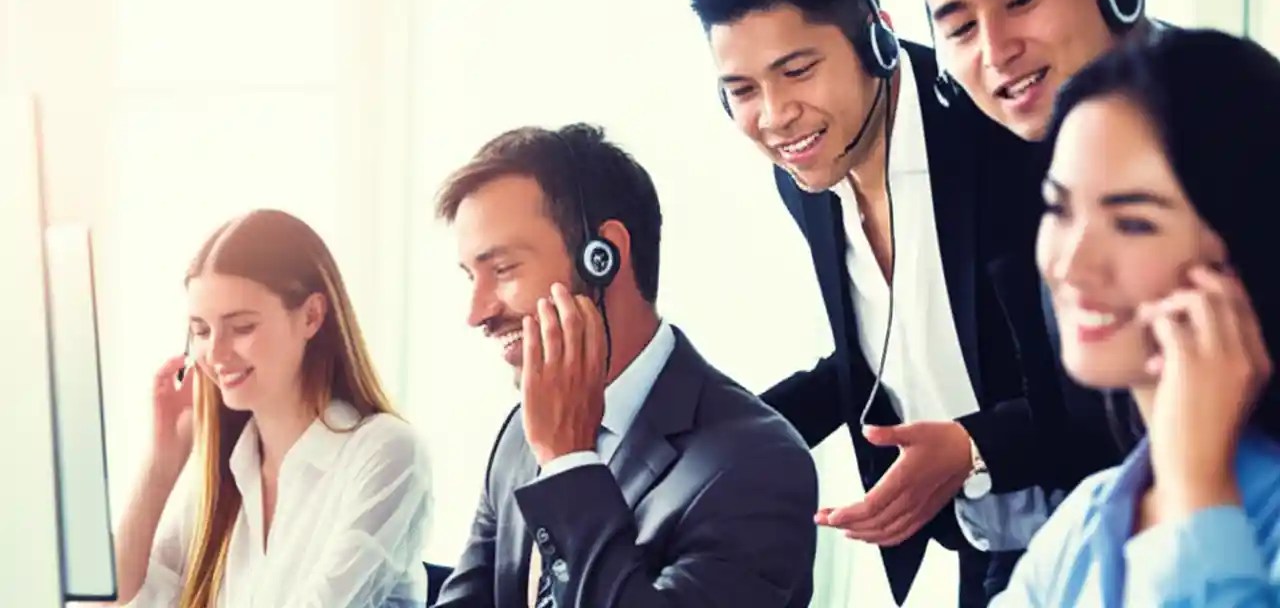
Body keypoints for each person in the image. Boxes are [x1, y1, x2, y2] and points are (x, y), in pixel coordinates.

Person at [689, 0, 1058, 606]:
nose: (775, 117)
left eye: (797, 70)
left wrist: (974, 448)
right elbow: (877, 353)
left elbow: (1107, 379)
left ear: (876, 37)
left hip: (1101, 526)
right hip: (981, 547)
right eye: (741, 91)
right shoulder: (809, 173)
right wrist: (711, 440)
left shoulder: (1000, 126)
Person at [430, 123, 819, 608]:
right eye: (471, 276)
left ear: (604, 256)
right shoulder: (521, 433)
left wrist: (569, 462)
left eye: (503, 270)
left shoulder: (757, 465)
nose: (477, 312)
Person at [897, 0, 1167, 553]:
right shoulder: (1029, 160)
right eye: (959, 28)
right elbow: (1080, 421)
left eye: (1021, 1)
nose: (995, 50)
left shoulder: (1235, 123)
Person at [994, 28, 1280, 605]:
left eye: (1133, 223)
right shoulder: (1088, 520)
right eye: (1059, 208)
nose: (1072, 265)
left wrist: (1198, 489)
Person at [111, 209, 432, 607]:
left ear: (312, 316)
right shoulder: (227, 473)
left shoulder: (385, 451)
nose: (216, 353)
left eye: (242, 327)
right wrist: (161, 464)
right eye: (201, 331)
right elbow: (116, 601)